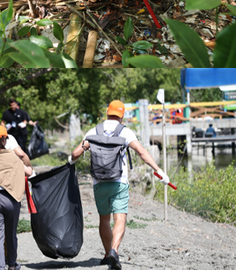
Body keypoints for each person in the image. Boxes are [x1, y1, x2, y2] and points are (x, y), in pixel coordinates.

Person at [70, 100, 170, 269]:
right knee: (120, 217)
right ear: (122, 115)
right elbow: (142, 153)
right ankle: (114, 251)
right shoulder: (125, 132)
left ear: (107, 113)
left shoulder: (93, 131)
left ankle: (106, 253)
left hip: (99, 183)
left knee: (104, 219)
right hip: (119, 182)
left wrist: (69, 161)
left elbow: (76, 153)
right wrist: (159, 171)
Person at [0, 125, 32, 270]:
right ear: (4, 139)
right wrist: (27, 166)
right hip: (10, 198)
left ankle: (0, 268)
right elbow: (28, 171)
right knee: (11, 234)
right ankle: (13, 265)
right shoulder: (12, 156)